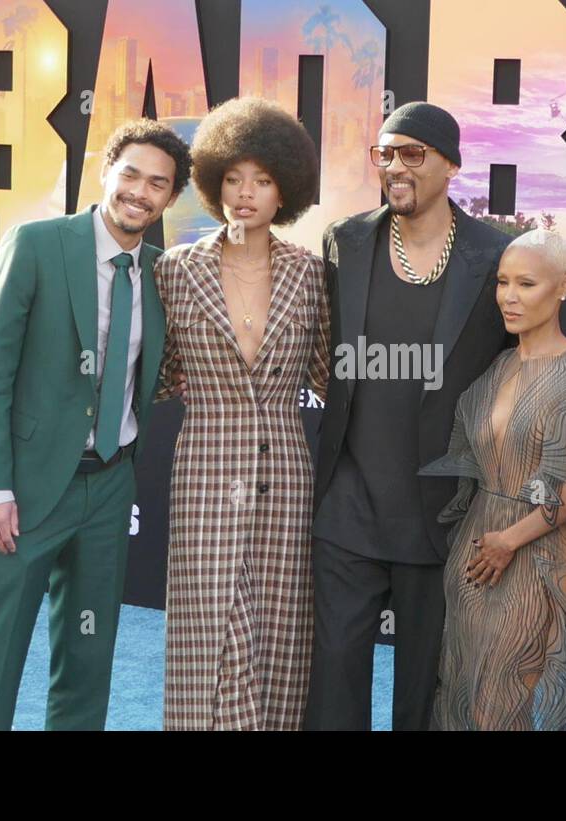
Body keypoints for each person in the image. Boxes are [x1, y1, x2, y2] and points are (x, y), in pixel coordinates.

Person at [0, 119, 190, 730]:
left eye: (158, 184)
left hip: (110, 486)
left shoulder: (162, 273)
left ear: (170, 198)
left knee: (89, 655)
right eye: (131, 173)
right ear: (106, 171)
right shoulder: (36, 244)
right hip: (26, 488)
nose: (140, 191)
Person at [305, 102, 514, 731]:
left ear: (451, 164)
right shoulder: (345, 239)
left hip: (443, 508)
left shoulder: (495, 255)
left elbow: (520, 372)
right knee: (335, 675)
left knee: (425, 689)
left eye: (412, 154)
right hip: (349, 500)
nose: (395, 166)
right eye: (385, 154)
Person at [154, 97, 329, 730]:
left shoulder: (311, 276)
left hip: (285, 475)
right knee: (205, 635)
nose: (245, 193)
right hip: (203, 474)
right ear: (211, 182)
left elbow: (335, 378)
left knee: (280, 635)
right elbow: (154, 374)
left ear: (287, 189)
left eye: (261, 179)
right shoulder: (175, 271)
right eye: (232, 178)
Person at [419, 229, 566, 730]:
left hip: (538, 556)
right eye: (503, 282)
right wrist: (490, 540)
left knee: (499, 706)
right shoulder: (500, 365)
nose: (509, 296)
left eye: (526, 283)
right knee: (464, 693)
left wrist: (510, 539)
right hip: (478, 550)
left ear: (564, 286)